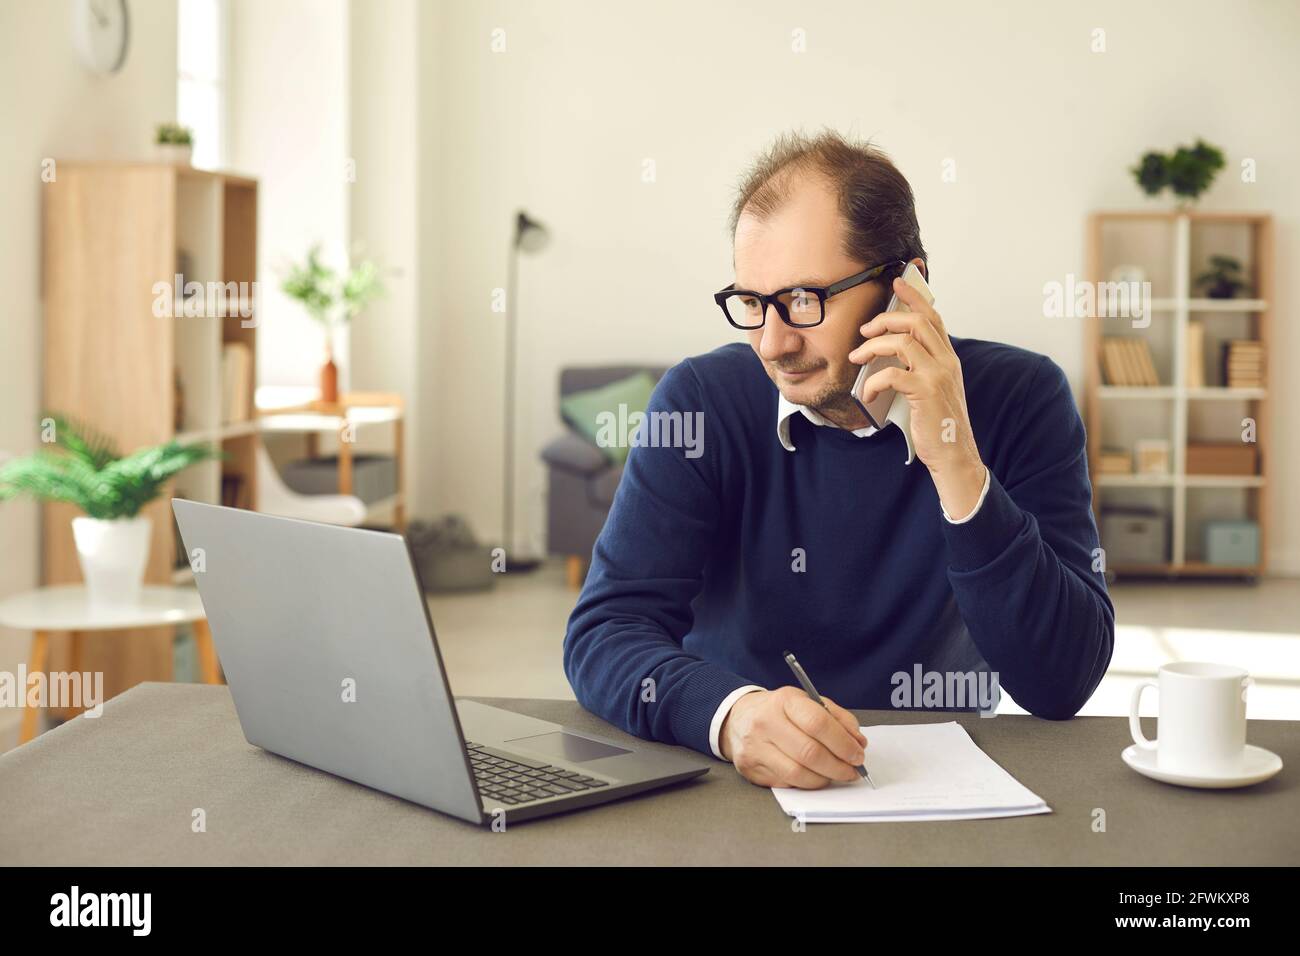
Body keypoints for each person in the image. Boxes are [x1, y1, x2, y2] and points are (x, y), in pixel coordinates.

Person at [564, 130, 1114, 789]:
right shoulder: (701, 402)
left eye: (803, 301)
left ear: (907, 285)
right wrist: (730, 714)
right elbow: (606, 631)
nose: (772, 342)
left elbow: (1063, 682)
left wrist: (959, 466)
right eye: (752, 303)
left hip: (944, 787)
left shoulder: (1022, 398)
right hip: (738, 785)